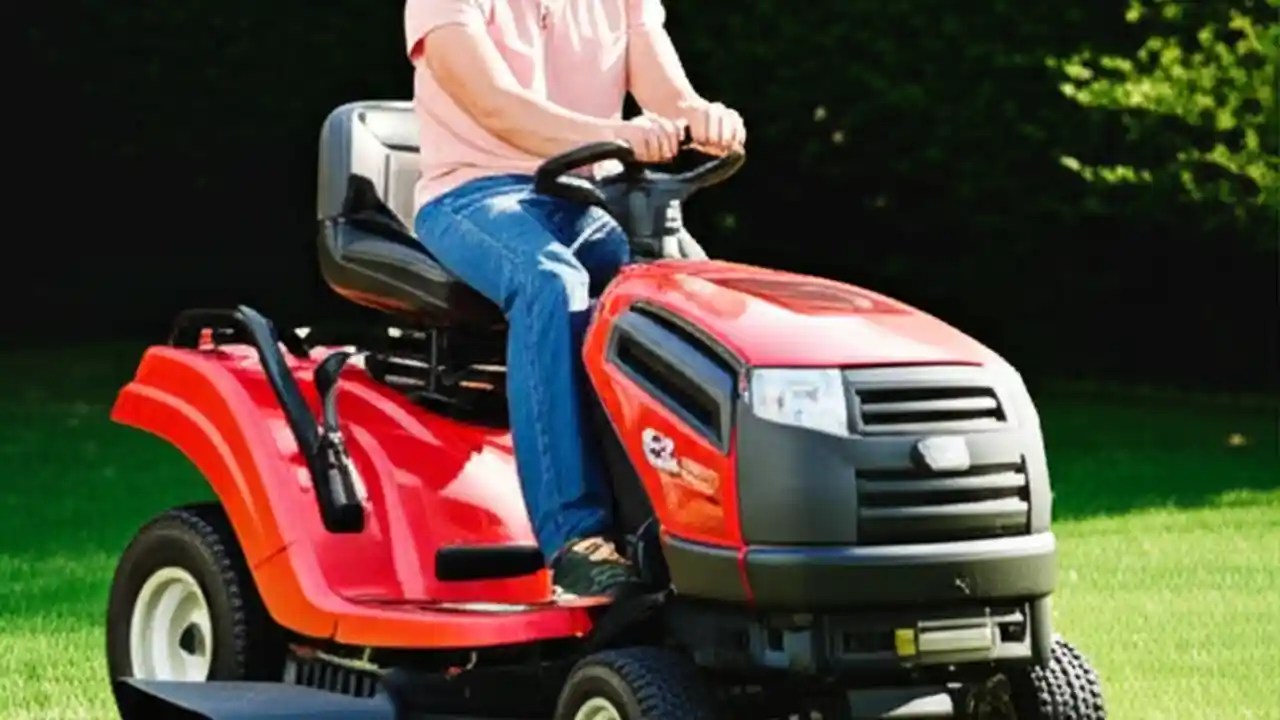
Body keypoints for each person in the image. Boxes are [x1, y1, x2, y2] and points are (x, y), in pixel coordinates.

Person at [403, 0, 746, 599]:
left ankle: (710, 519)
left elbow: (669, 94)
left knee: (689, 292)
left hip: (584, 199)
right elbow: (497, 106)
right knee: (550, 283)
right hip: (472, 196)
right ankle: (575, 540)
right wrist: (616, 135)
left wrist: (703, 117)